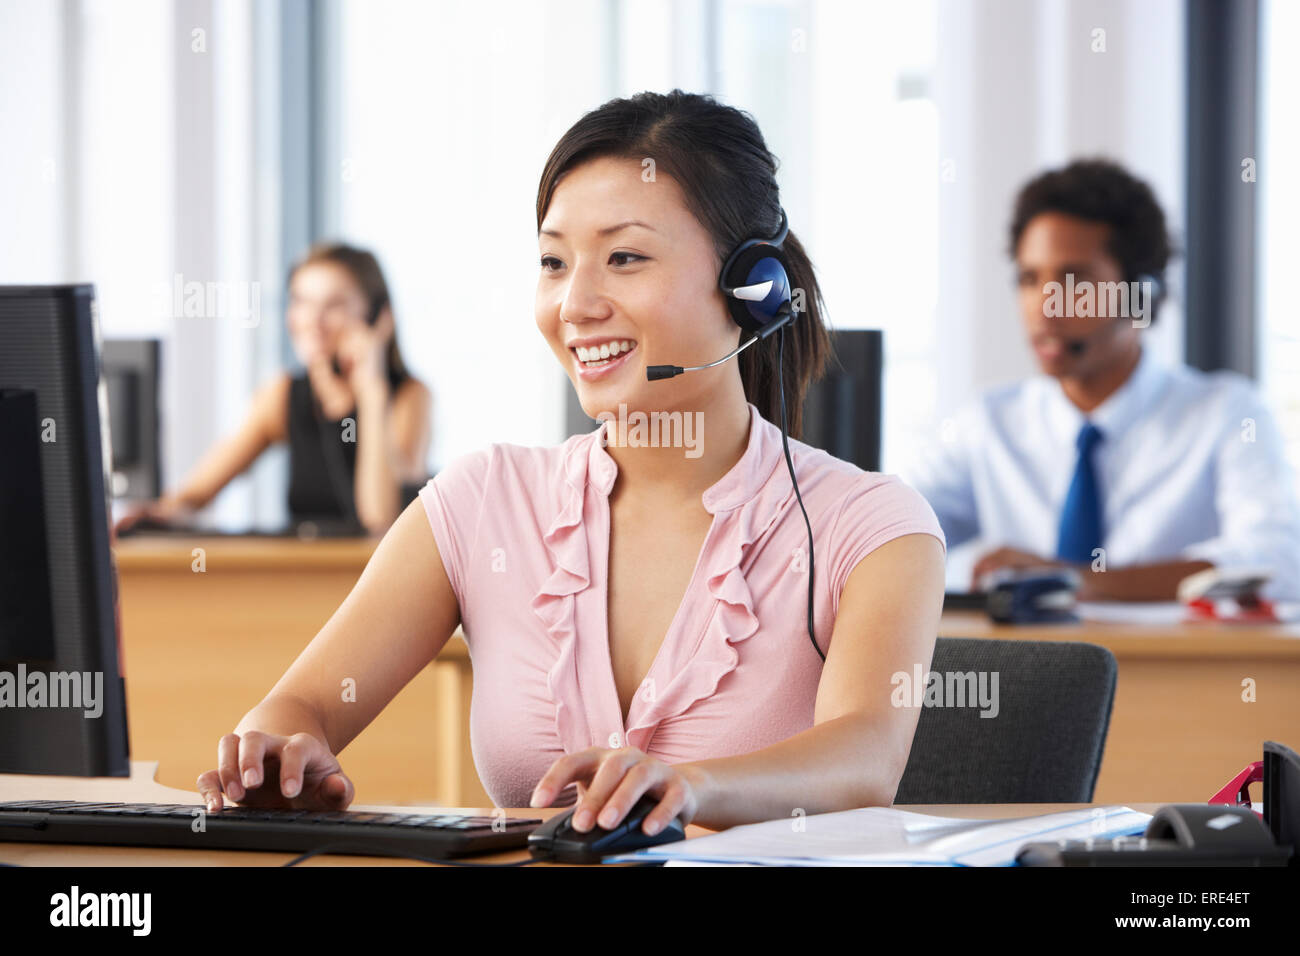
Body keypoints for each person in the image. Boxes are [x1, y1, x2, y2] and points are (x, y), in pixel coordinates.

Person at [195, 90, 946, 836]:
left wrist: (688, 787)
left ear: (753, 288)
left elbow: (866, 756)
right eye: (554, 262)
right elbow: (303, 707)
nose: (575, 303)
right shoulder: (482, 500)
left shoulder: (873, 527)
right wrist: (280, 754)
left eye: (624, 257)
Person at [903, 159, 1300, 601]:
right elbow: (889, 528)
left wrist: (1075, 581)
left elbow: (1277, 562)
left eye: (1074, 281)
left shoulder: (1226, 414)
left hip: (1171, 670)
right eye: (1029, 279)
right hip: (1032, 672)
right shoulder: (988, 423)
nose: (1043, 308)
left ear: (1141, 295)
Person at [114, 243, 432, 537]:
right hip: (307, 582)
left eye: (334, 304)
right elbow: (195, 494)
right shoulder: (282, 396)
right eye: (301, 302)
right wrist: (151, 513)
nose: (313, 320)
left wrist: (372, 393)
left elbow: (380, 518)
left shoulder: (408, 397)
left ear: (378, 318)